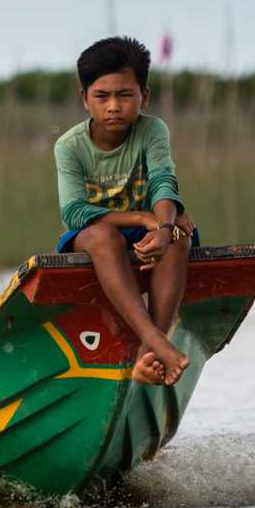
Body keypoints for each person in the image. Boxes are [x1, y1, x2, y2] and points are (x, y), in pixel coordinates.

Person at [54, 36, 199, 388]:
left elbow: (165, 183)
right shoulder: (70, 146)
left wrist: (164, 228)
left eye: (125, 95)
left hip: (146, 230)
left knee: (179, 232)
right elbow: (74, 213)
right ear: (84, 98)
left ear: (144, 97)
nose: (114, 107)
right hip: (91, 235)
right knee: (104, 236)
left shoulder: (152, 130)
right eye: (102, 97)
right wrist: (142, 218)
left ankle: (146, 354)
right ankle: (158, 343)